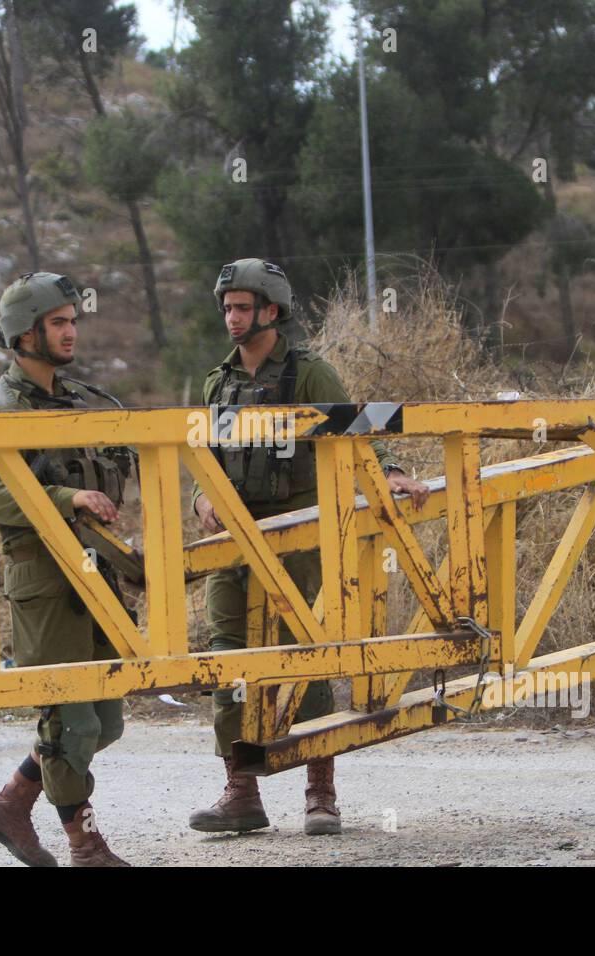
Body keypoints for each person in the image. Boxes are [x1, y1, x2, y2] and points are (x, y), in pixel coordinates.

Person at [188, 258, 431, 836]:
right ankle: (240, 789)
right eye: (227, 307)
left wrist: (390, 471)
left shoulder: (309, 374)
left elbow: (353, 432)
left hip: (298, 532)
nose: (232, 317)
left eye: (243, 307)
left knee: (307, 653)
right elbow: (204, 456)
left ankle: (320, 792)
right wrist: (201, 497)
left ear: (272, 311)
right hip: (234, 539)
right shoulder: (216, 382)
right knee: (228, 656)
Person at [0, 272, 135, 867]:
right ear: (24, 333)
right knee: (72, 719)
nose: (71, 331)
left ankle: (10, 805)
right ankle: (85, 846)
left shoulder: (86, 402)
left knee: (107, 718)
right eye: (57, 322)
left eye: (72, 320)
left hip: (98, 570)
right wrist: (66, 500)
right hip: (41, 577)